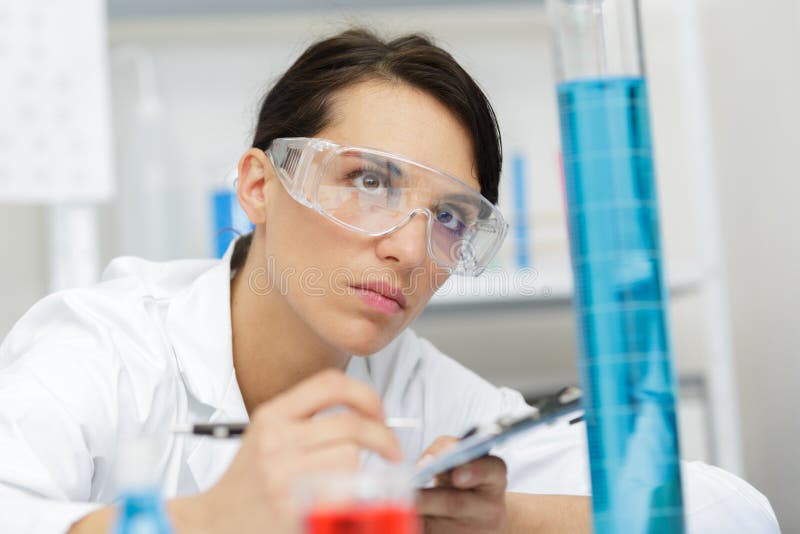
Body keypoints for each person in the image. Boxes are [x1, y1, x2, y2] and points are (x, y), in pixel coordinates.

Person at [0, 28, 779, 534]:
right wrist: (206, 520)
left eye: (449, 216)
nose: (410, 249)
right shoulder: (104, 348)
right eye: (369, 182)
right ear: (260, 186)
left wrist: (504, 517)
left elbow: (735, 516)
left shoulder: (418, 393)